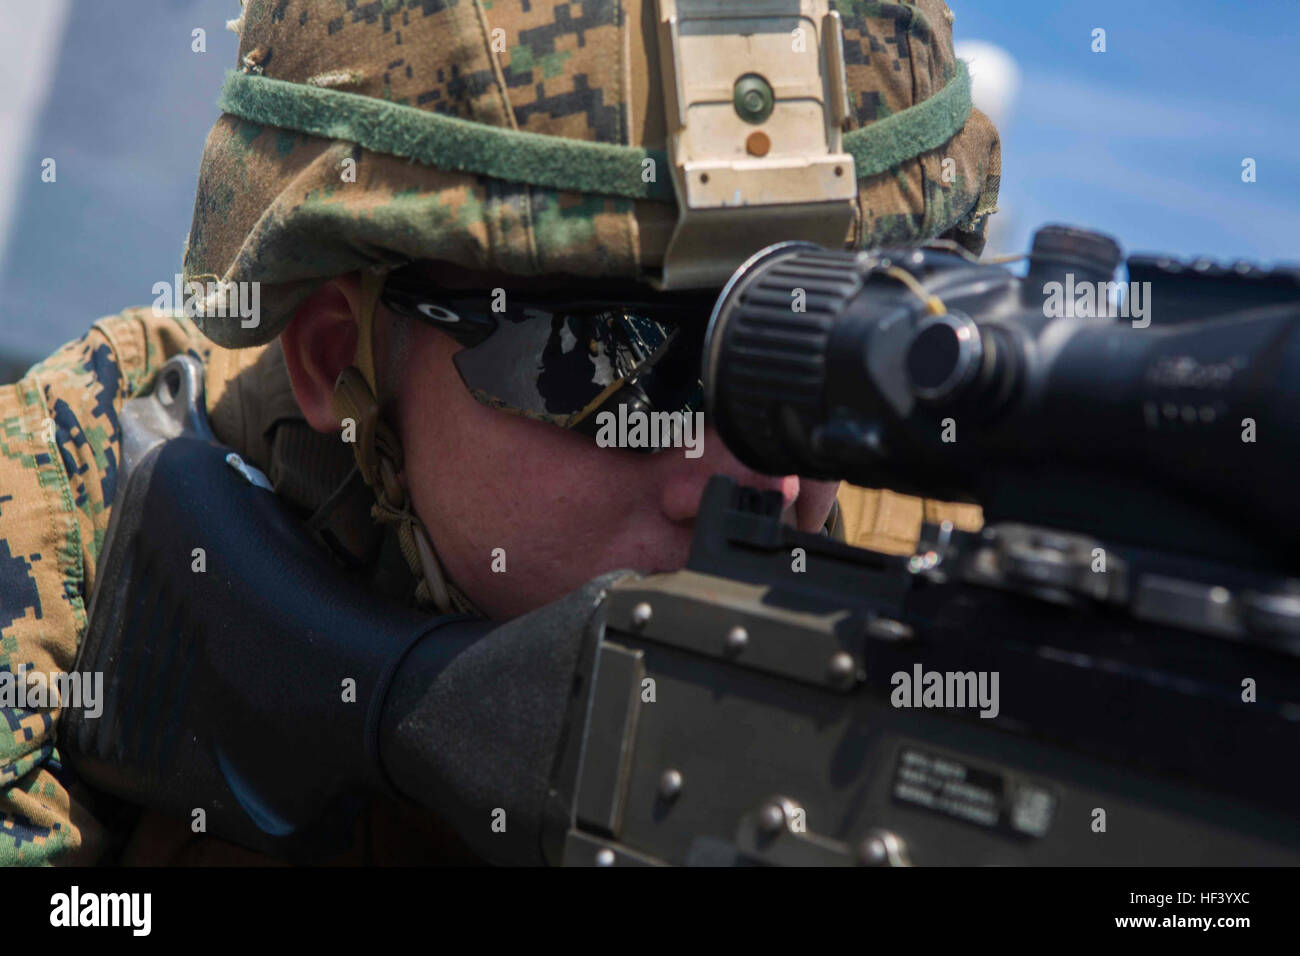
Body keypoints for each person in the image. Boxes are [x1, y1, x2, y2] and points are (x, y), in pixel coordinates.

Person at [0, 0, 999, 865]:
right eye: (608, 359)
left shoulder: (954, 589)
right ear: (336, 354)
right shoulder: (65, 510)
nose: (762, 478)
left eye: (815, 360)